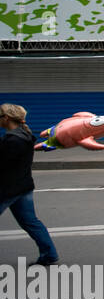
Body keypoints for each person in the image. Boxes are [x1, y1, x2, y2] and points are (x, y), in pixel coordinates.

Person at [0, 103, 60, 266]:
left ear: (6, 118)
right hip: (23, 187)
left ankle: (49, 254)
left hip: (8, 189)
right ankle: (49, 254)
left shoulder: (12, 139)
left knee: (30, 222)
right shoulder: (25, 135)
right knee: (30, 222)